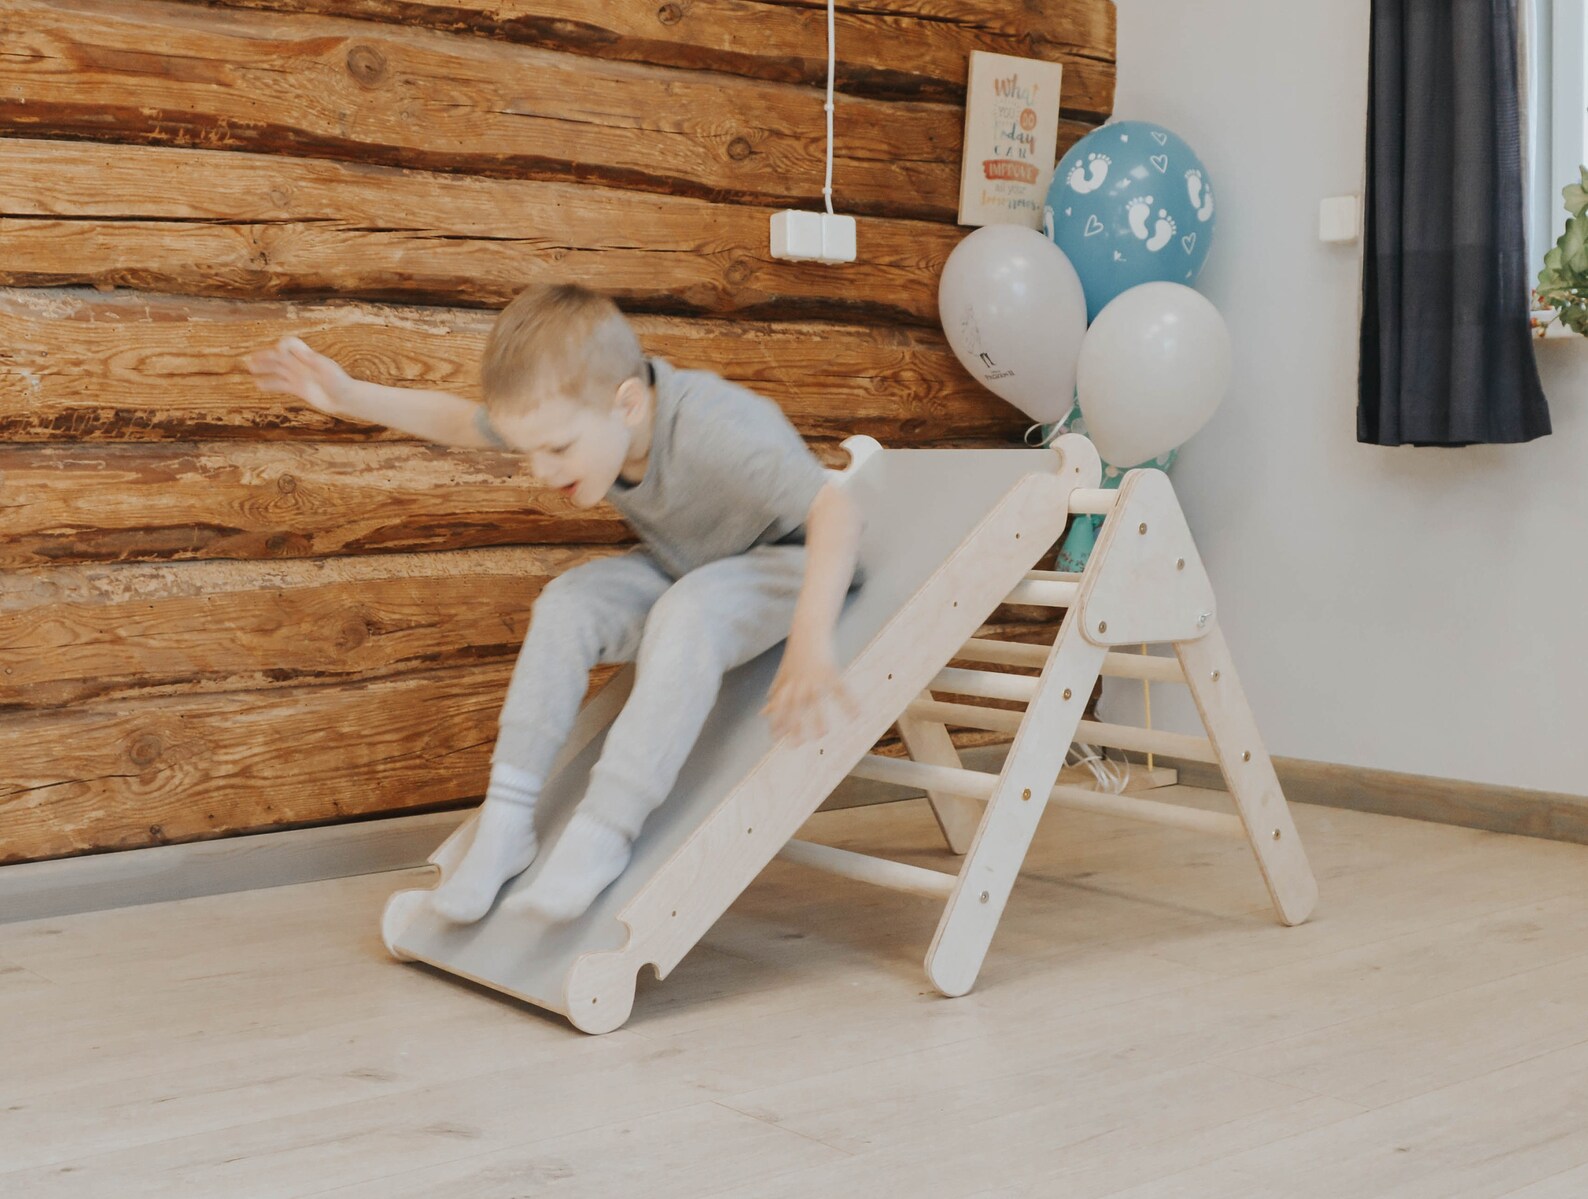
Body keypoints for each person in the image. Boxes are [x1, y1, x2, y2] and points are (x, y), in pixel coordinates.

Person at [246, 283, 862, 924]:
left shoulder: (716, 426)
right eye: (529, 450)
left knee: (691, 610)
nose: (541, 470)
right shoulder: (590, 414)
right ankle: (508, 824)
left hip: (789, 563)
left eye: (559, 448)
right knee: (567, 602)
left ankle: (604, 830)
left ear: (626, 403)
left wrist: (811, 642)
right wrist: (347, 395)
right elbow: (460, 420)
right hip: (692, 566)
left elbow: (834, 511)